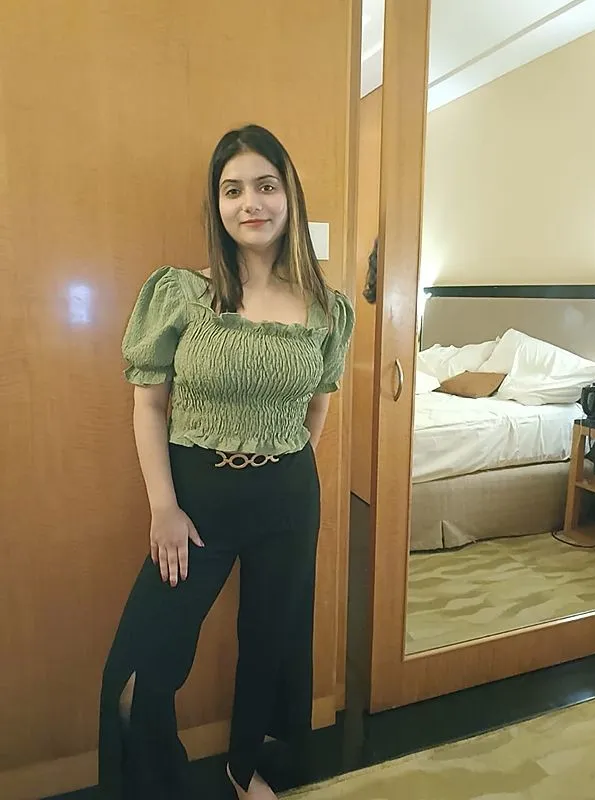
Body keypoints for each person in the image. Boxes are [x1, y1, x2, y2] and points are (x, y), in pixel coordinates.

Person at [98, 124, 355, 800]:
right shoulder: (183, 293)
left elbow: (318, 407)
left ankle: (247, 771)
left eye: (266, 186)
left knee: (274, 645)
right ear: (217, 204)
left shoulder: (326, 309)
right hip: (194, 497)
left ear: (289, 196)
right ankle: (157, 785)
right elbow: (149, 405)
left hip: (287, 497)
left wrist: (284, 473)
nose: (251, 204)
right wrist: (163, 507)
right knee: (137, 673)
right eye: (233, 190)